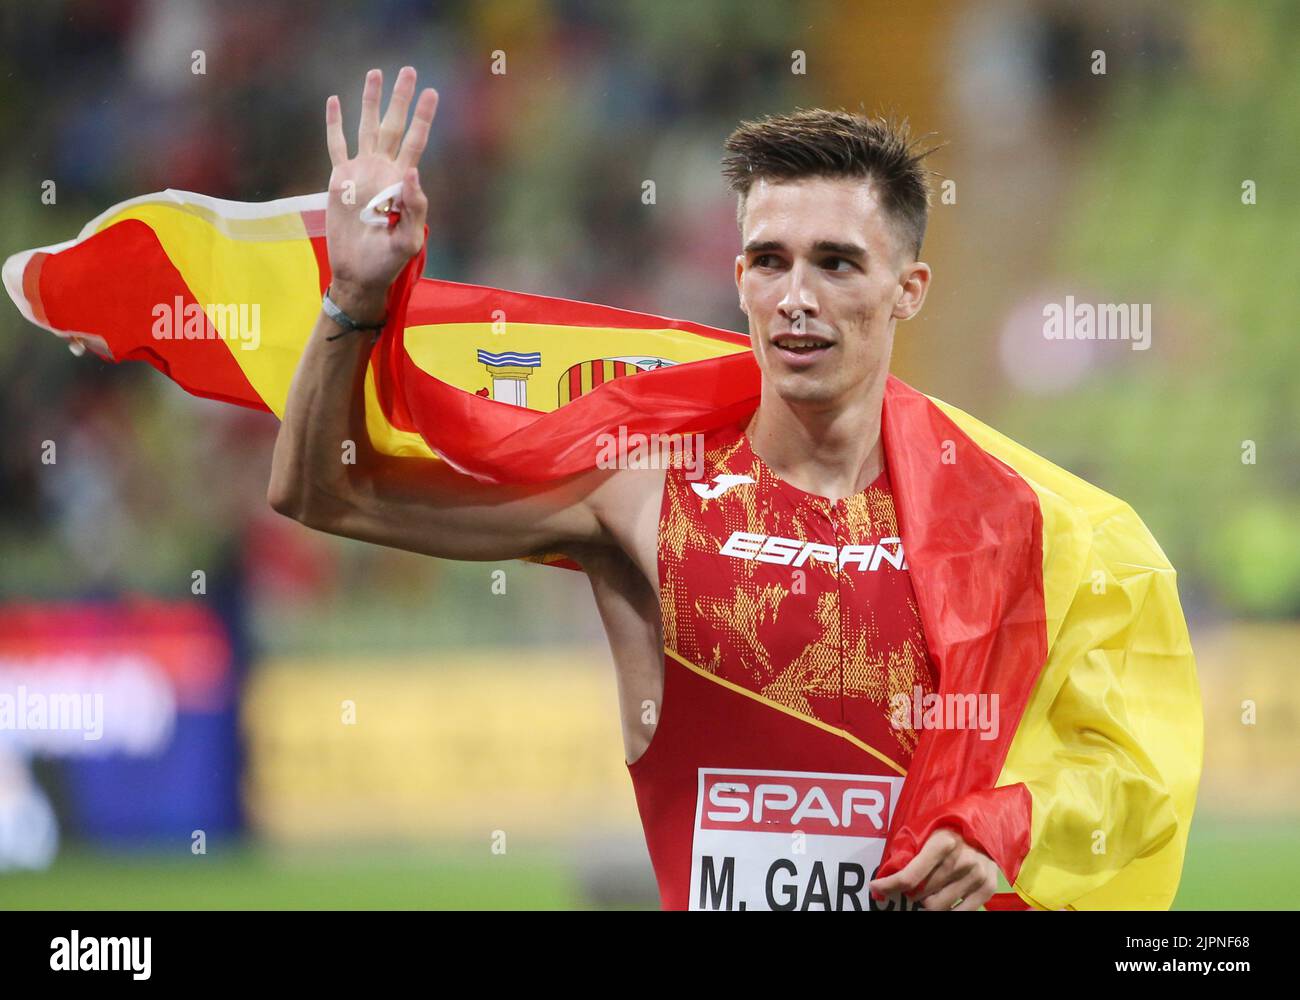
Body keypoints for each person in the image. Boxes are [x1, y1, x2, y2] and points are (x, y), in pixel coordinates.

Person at [266, 66, 1074, 912]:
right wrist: (355, 294)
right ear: (739, 281)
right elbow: (326, 493)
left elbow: (1060, 763)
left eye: (837, 264)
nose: (797, 299)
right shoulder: (642, 489)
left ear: (908, 291)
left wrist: (998, 833)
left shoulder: (986, 521)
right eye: (771, 262)